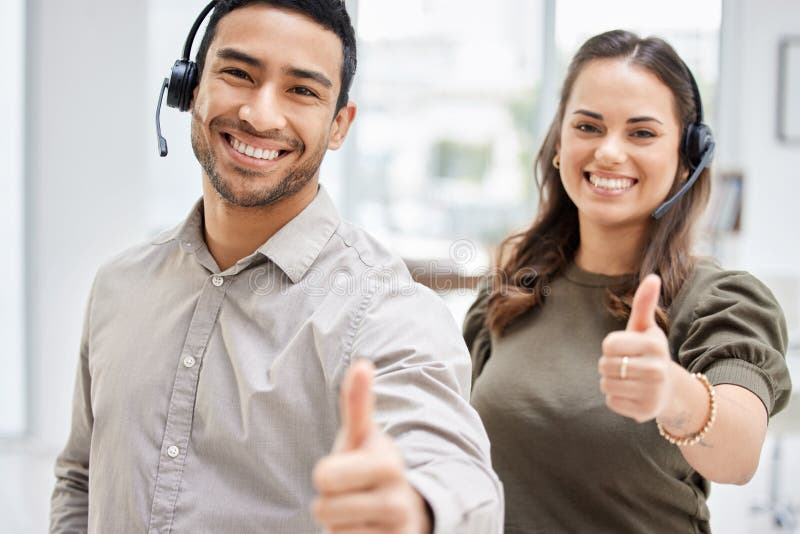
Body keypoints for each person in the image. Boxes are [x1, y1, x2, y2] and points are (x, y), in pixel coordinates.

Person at [50, 1, 503, 532]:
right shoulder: (119, 286)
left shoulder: (387, 310)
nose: (260, 115)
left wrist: (417, 507)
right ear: (190, 88)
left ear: (339, 126)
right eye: (238, 74)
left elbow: (460, 478)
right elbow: (81, 477)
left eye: (302, 90)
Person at [464, 29, 792, 533]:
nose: (610, 153)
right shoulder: (509, 292)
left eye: (641, 133)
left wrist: (673, 394)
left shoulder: (720, 301)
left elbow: (740, 455)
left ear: (687, 158)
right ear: (558, 144)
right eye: (589, 126)